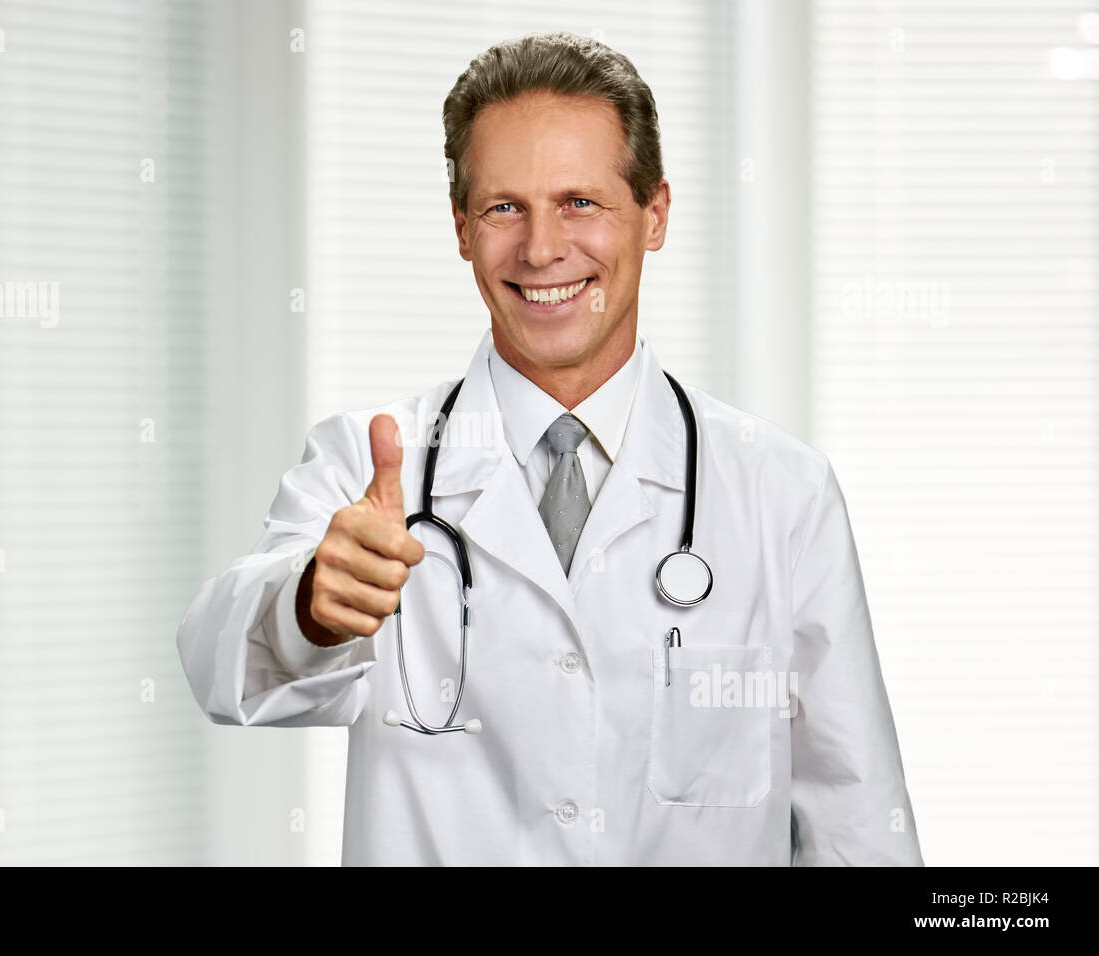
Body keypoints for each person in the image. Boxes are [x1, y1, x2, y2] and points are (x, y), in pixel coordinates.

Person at [176, 31, 923, 866]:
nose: (540, 249)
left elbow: (857, 825)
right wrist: (311, 602)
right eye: (504, 207)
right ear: (461, 227)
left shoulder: (781, 491)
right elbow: (217, 666)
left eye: (579, 201)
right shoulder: (370, 465)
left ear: (656, 214)